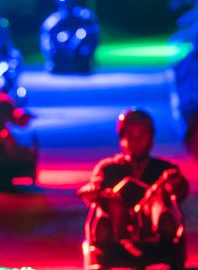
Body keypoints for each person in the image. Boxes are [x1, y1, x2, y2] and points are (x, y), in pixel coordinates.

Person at [77, 108, 188, 252]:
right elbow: (94, 188)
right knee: (107, 210)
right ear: (122, 139)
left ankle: (163, 244)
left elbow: (181, 192)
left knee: (162, 209)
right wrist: (92, 192)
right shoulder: (108, 169)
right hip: (117, 230)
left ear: (151, 137)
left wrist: (176, 184)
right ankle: (118, 242)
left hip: (152, 227)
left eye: (142, 134)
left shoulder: (163, 169)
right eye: (130, 135)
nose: (137, 140)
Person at [40, 0, 100, 74]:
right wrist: (52, 51)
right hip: (60, 54)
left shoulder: (85, 18)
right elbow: (46, 40)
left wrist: (83, 46)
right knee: (62, 36)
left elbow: (94, 35)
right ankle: (58, 62)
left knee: (83, 33)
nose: (68, 6)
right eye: (66, 3)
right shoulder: (53, 21)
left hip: (80, 54)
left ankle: (83, 61)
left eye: (70, 2)